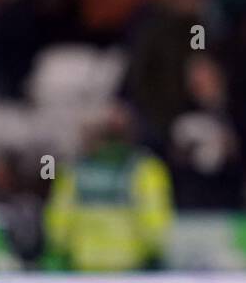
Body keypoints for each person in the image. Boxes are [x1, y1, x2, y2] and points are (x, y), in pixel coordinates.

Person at [44, 105, 173, 272]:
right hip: (131, 269)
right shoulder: (146, 169)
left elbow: (58, 226)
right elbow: (155, 227)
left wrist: (58, 253)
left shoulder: (73, 171)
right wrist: (156, 254)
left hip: (83, 267)